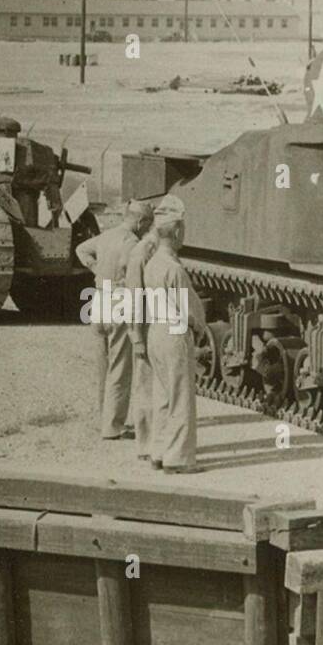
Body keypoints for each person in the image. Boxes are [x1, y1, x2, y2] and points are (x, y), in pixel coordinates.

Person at [75, 199, 152, 439]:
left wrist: (96, 268)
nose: (148, 230)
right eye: (147, 225)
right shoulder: (133, 245)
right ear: (140, 221)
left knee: (103, 366)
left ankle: (104, 418)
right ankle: (113, 427)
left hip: (98, 299)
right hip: (119, 300)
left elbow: (81, 249)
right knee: (119, 367)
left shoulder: (107, 236)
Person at [140, 195, 200, 473]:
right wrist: (200, 327)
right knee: (182, 399)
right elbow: (192, 310)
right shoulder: (175, 269)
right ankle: (178, 459)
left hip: (155, 332)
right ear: (176, 231)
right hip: (175, 333)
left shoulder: (152, 264)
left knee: (163, 397)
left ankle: (158, 451)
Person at [126, 220, 160, 460]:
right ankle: (145, 445)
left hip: (159, 328)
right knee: (146, 388)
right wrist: (136, 335)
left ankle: (156, 444)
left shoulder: (156, 250)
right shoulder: (142, 253)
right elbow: (135, 296)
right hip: (146, 328)